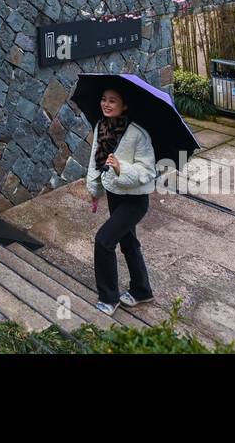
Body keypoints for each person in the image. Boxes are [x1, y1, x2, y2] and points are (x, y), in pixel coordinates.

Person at [86, 85, 158, 315]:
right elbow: (95, 160)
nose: (106, 104)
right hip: (114, 196)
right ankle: (142, 290)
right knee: (128, 243)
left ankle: (109, 298)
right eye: (104, 99)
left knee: (104, 240)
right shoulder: (101, 126)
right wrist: (95, 190)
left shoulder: (138, 134)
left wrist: (121, 167)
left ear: (124, 105)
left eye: (113, 101)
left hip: (135, 200)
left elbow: (148, 171)